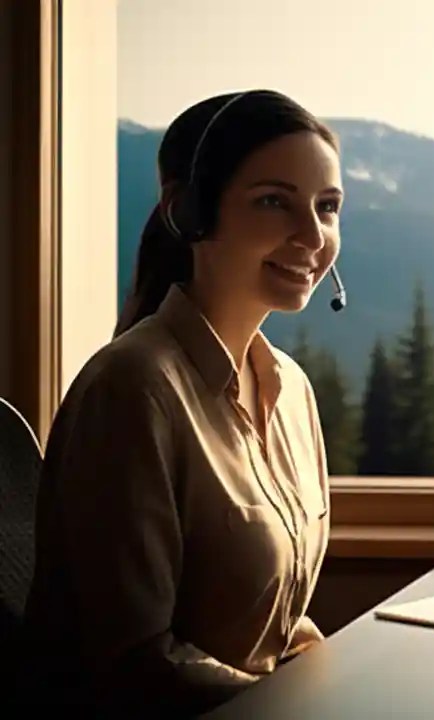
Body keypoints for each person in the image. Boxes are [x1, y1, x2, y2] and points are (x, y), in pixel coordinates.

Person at [22, 89, 343, 716]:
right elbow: (135, 666)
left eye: (327, 208)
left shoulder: (293, 391)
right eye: (274, 202)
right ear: (188, 212)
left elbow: (276, 626)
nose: (312, 235)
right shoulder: (133, 390)